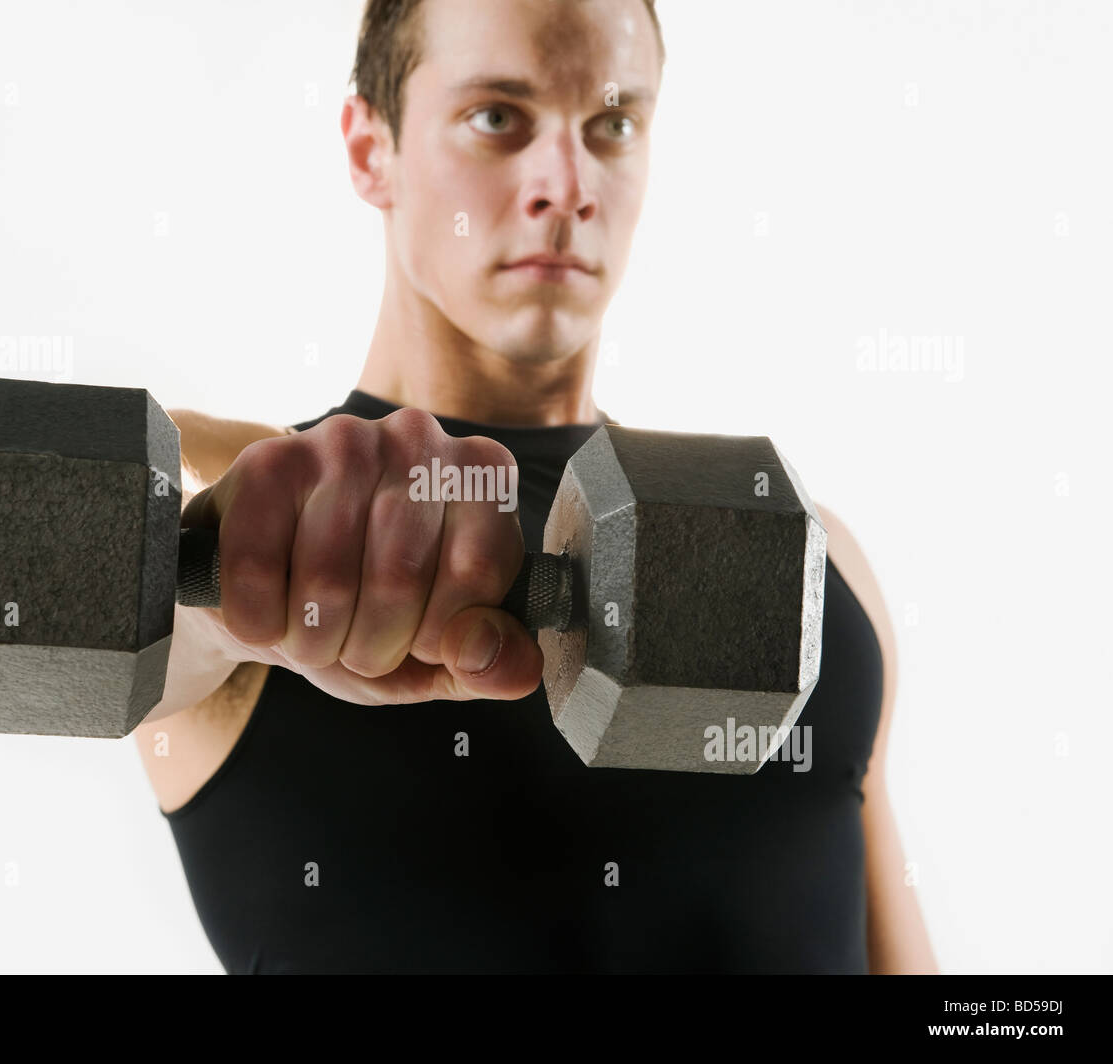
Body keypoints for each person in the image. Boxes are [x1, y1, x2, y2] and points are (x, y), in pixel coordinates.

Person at [134, 0, 937, 974]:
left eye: (612, 124)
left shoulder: (819, 554)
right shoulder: (251, 516)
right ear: (368, 147)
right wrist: (235, 594)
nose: (568, 185)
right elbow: (159, 643)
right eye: (498, 117)